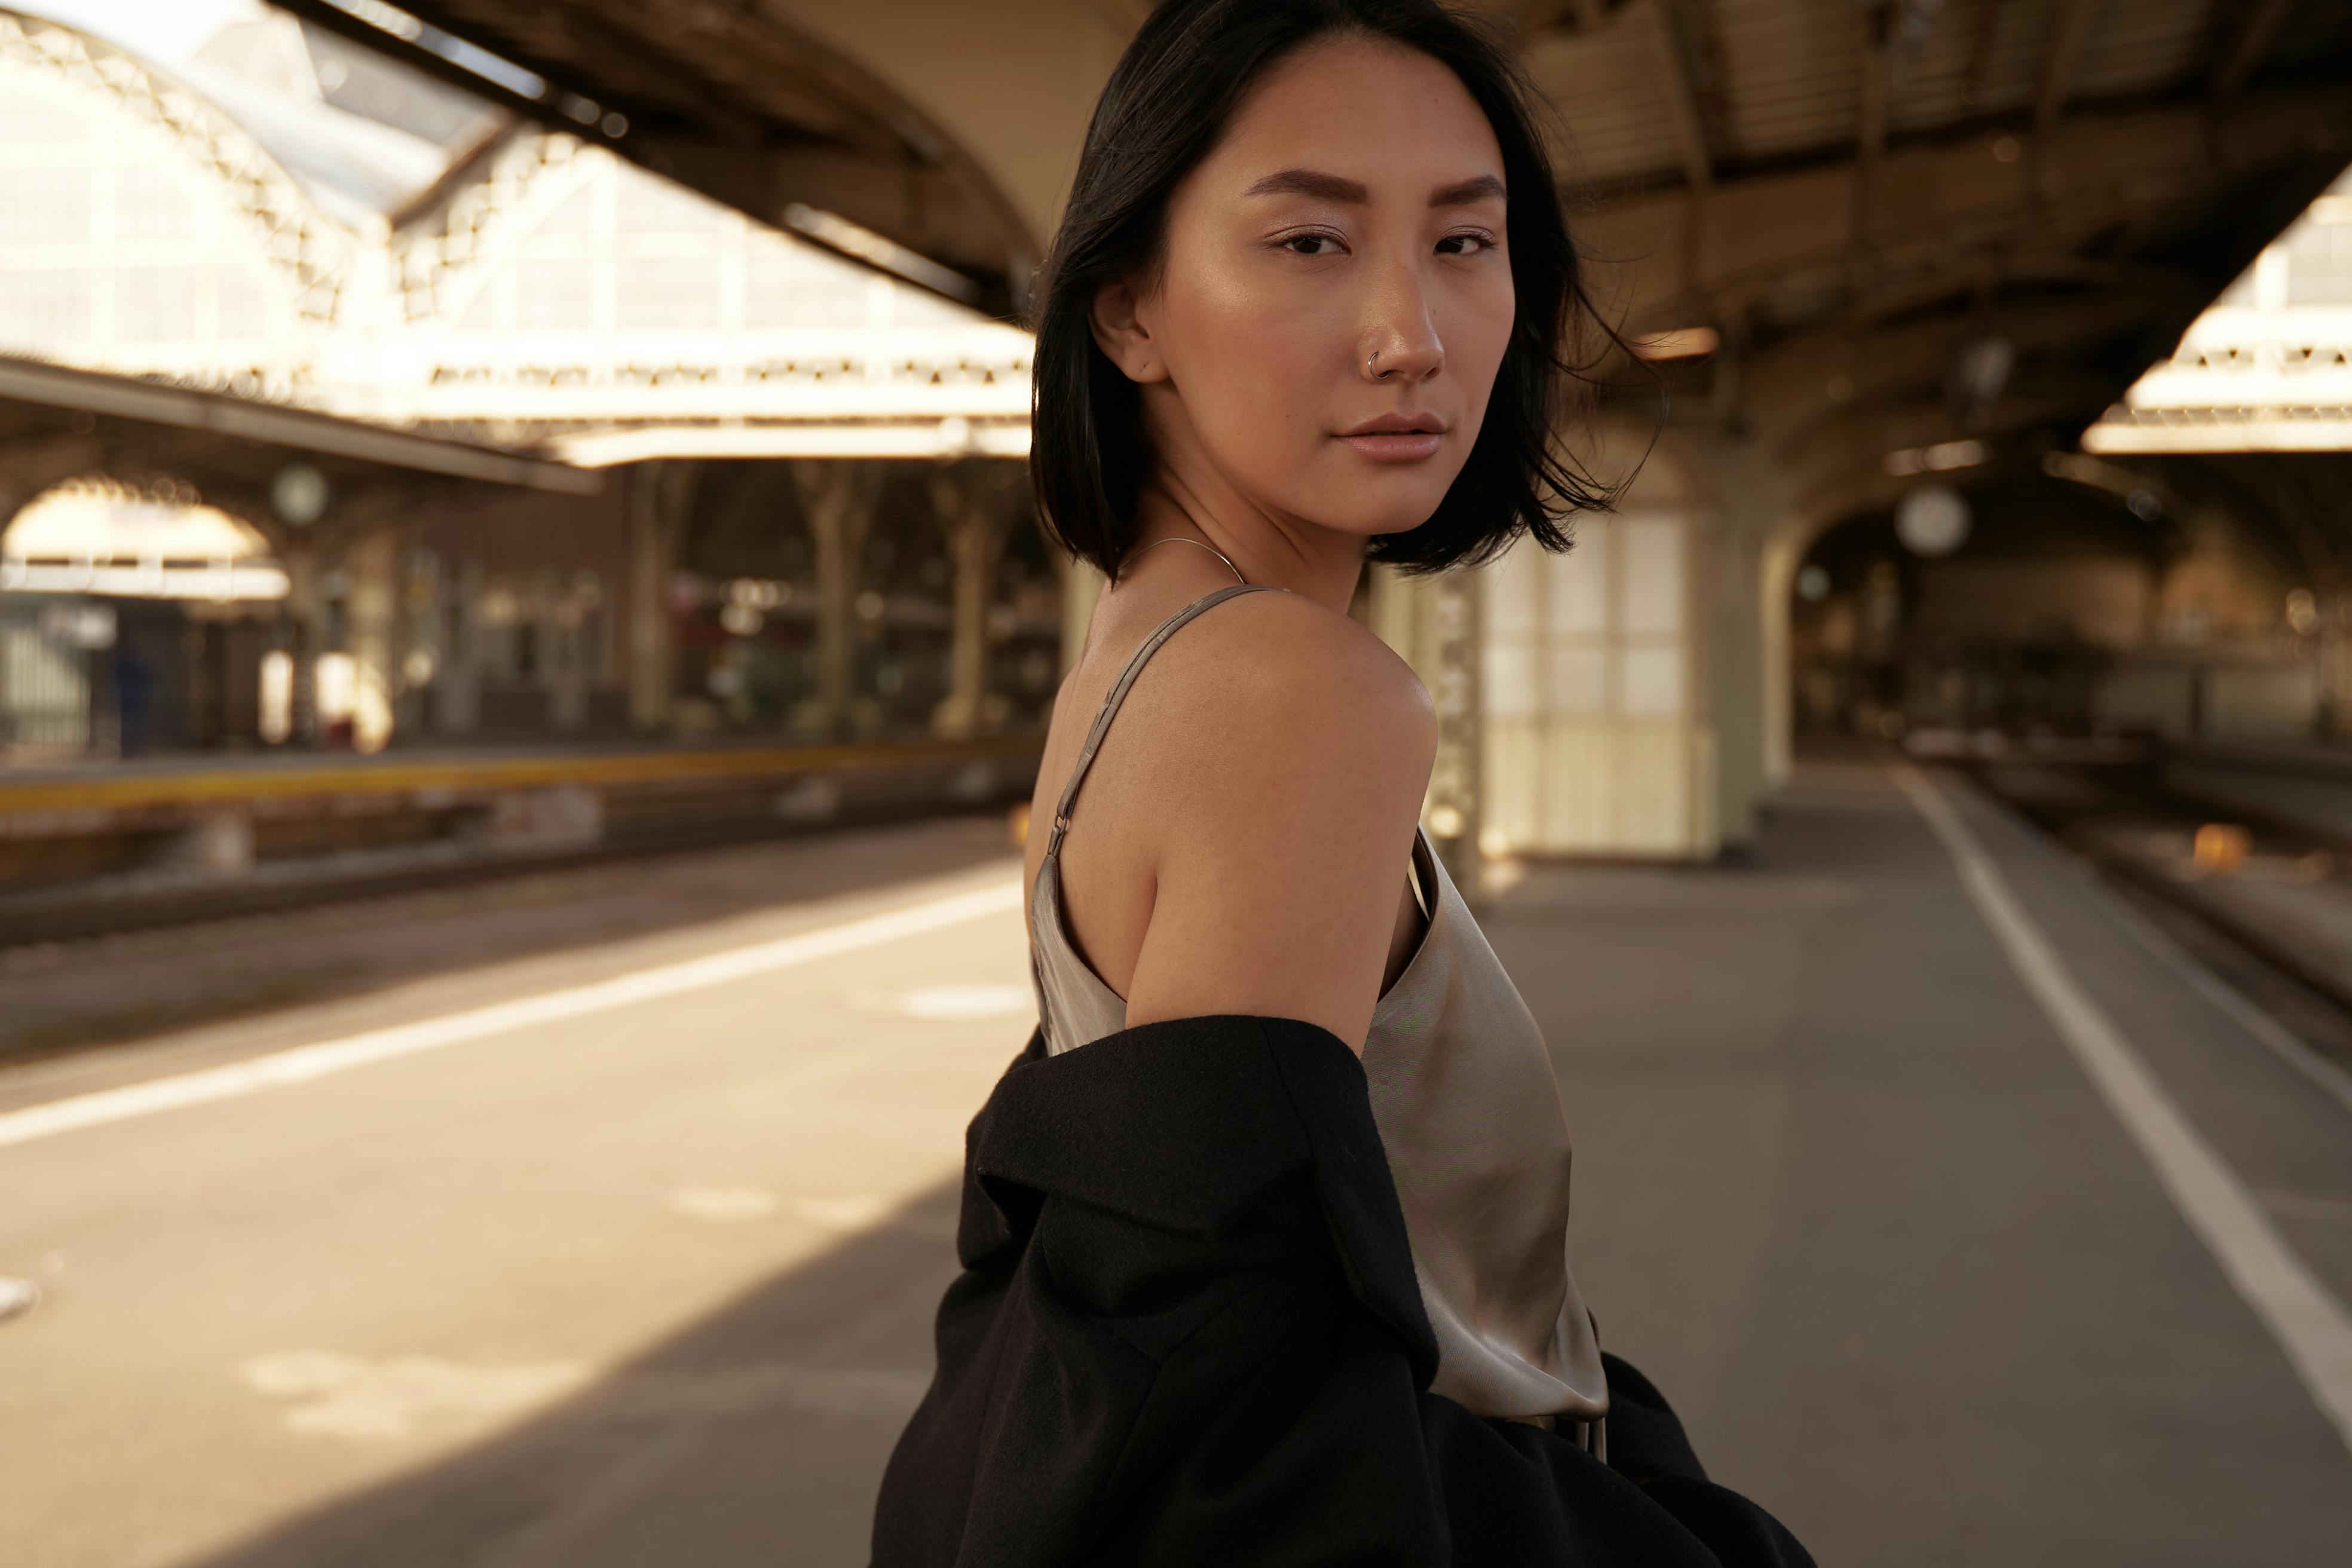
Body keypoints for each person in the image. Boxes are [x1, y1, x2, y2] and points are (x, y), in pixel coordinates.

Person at [873, 3, 1812, 1563]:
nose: (1412, 334)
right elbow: (1234, 1427)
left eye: (1465, 242)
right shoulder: (1296, 695)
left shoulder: (1146, 650)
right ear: (1129, 314)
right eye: (1311, 244)